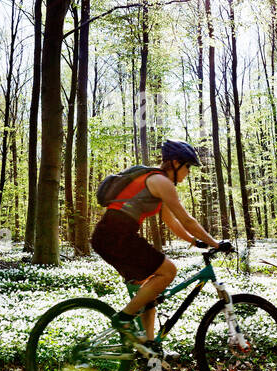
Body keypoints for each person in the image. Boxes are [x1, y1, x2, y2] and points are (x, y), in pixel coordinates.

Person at [89, 140, 232, 348]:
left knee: (149, 288)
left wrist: (194, 241)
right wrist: (215, 243)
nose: (188, 172)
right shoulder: (161, 182)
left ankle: (148, 345)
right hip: (116, 235)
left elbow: (172, 222)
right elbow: (187, 220)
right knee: (168, 271)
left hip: (108, 236)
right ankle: (124, 319)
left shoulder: (156, 182)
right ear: (175, 163)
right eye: (188, 167)